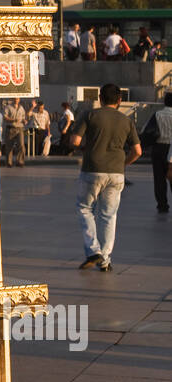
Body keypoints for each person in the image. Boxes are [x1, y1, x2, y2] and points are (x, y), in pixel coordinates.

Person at [70, 83, 141, 272]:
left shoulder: (90, 115)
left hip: (92, 169)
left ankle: (93, 250)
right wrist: (124, 163)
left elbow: (75, 141)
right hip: (117, 172)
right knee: (108, 216)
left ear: (100, 98)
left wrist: (88, 149)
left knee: (85, 208)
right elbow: (137, 151)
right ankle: (105, 260)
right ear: (120, 100)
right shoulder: (126, 120)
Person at [3, 98, 27, 167]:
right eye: (15, 99)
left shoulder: (21, 108)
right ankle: (9, 162)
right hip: (10, 128)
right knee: (9, 146)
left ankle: (20, 161)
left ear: (19, 100)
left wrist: (24, 121)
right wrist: (13, 120)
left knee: (21, 145)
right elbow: (5, 117)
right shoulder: (8, 107)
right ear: (13, 99)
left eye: (17, 99)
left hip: (19, 128)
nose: (16, 100)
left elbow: (23, 117)